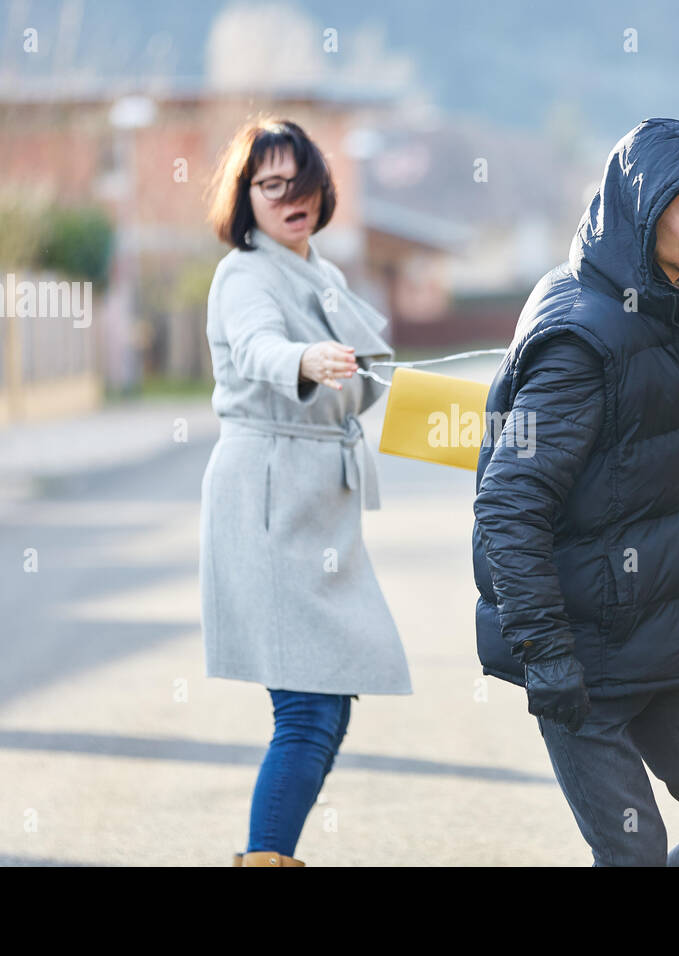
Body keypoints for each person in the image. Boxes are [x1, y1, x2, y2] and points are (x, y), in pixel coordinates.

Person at [472, 117, 679, 866]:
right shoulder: (582, 338)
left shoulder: (664, 305)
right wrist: (546, 654)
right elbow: (509, 502)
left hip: (675, 652)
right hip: (583, 662)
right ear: (645, 215)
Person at [200, 116, 412, 868]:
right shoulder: (244, 275)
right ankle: (266, 857)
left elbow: (374, 377)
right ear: (246, 196)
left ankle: (269, 853)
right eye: (271, 185)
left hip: (316, 499)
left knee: (325, 700)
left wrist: (477, 427)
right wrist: (306, 358)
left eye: (304, 182)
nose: (291, 197)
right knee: (309, 705)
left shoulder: (324, 273)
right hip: (268, 499)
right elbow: (258, 346)